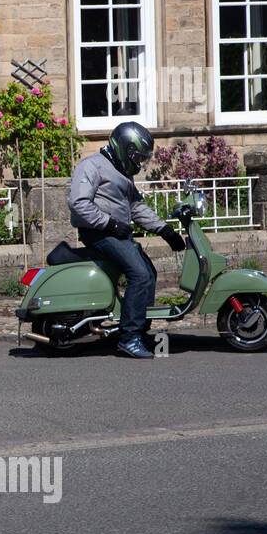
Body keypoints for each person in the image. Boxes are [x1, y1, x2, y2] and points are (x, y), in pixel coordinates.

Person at [68, 121, 187, 360]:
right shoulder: (92, 166)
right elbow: (78, 203)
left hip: (116, 233)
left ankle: (140, 331)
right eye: (137, 157)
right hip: (99, 233)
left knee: (149, 272)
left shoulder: (121, 172)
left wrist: (164, 230)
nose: (139, 163)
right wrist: (109, 223)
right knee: (140, 275)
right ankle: (128, 338)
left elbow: (136, 207)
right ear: (124, 148)